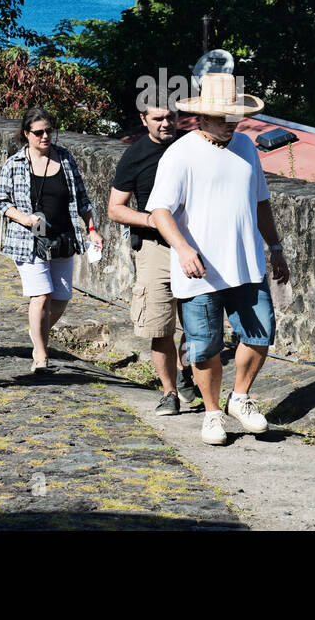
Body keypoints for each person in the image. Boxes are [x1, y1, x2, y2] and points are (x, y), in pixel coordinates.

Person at [146, 73, 290, 446]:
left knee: (260, 334)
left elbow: (261, 203)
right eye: (222, 118)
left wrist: (274, 247)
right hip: (199, 271)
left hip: (245, 265)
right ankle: (212, 413)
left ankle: (239, 398)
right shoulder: (179, 153)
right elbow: (160, 210)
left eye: (234, 118)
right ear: (201, 117)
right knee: (204, 345)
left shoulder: (245, 147)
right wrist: (182, 248)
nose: (230, 124)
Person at [0, 108, 103, 373]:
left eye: (48, 131)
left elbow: (82, 198)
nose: (45, 136)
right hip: (29, 240)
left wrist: (92, 230)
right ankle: (41, 357)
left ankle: (37, 333)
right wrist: (23, 218)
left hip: (63, 237)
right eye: (38, 132)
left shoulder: (65, 158)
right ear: (26, 134)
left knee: (62, 297)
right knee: (41, 295)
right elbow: (1, 201)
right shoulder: (15, 163)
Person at [109, 103, 201, 415]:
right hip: (154, 249)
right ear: (143, 120)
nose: (165, 124)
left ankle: (189, 372)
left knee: (199, 320)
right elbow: (115, 208)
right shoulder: (134, 155)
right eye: (157, 118)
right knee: (160, 326)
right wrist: (151, 220)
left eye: (170, 117)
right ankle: (169, 392)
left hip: (195, 246)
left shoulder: (193, 145)